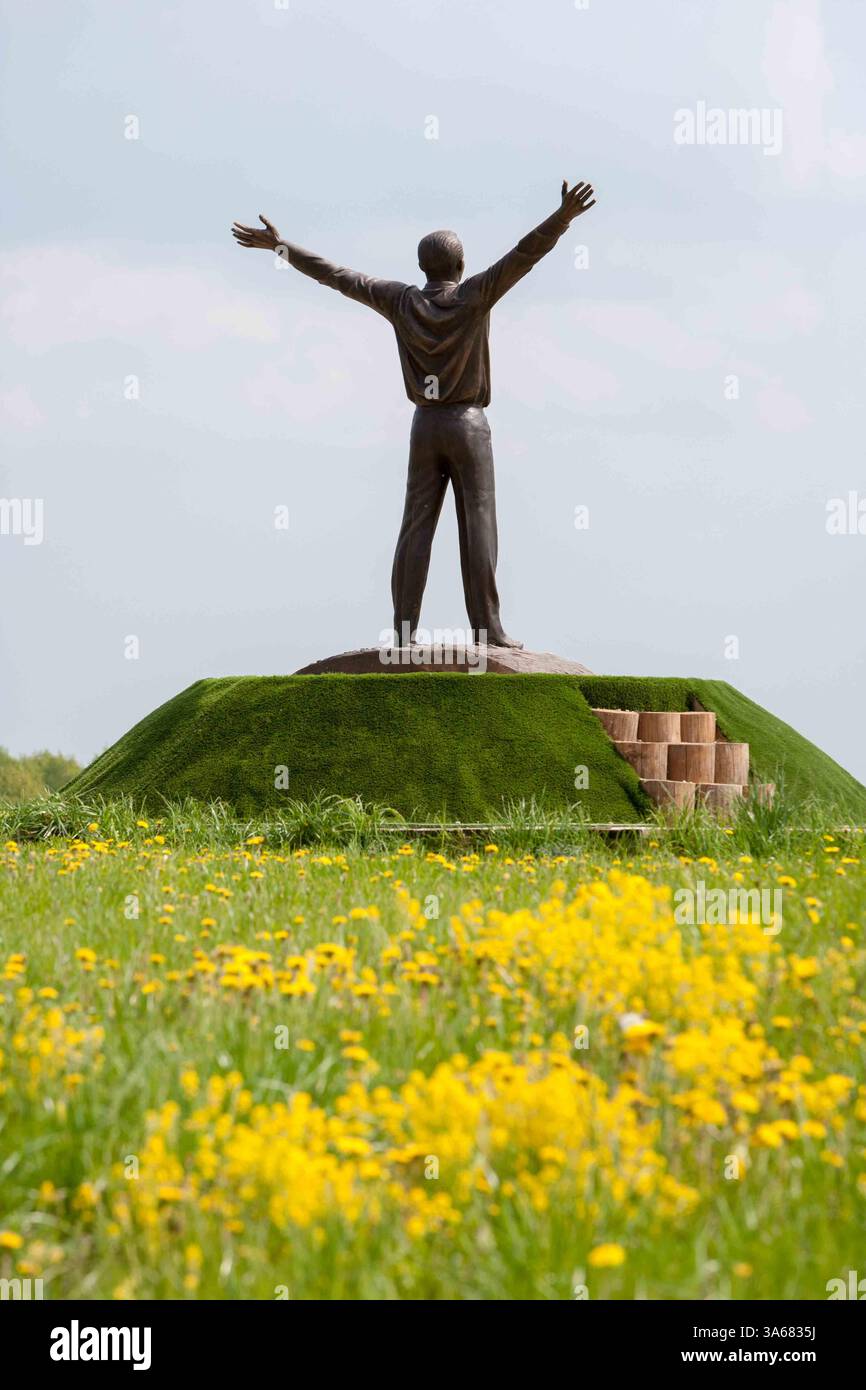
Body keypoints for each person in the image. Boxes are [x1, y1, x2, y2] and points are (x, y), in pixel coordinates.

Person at [232, 179, 596, 648]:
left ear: (422, 267)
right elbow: (525, 254)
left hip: (424, 426)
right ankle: (488, 629)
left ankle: (404, 631)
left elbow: (335, 274)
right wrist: (563, 216)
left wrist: (280, 247)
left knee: (416, 523)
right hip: (467, 424)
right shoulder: (474, 295)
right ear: (460, 266)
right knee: (478, 520)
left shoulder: (401, 300)